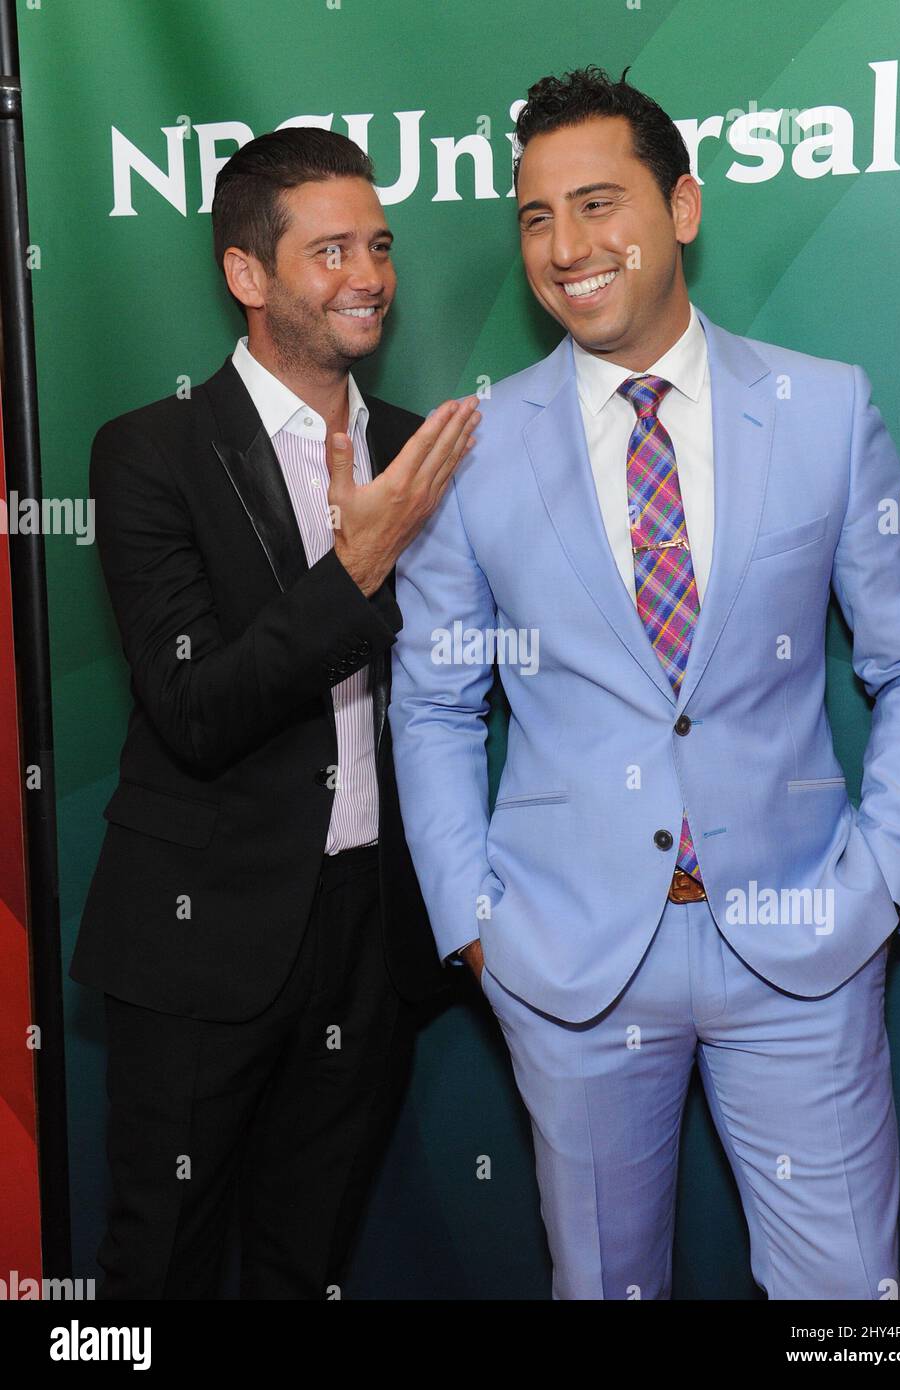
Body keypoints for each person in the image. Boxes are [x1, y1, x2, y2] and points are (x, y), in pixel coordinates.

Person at [388, 68, 900, 1300]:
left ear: (682, 208)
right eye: (535, 217)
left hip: (803, 946)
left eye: (597, 203)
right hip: (568, 962)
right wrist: (474, 924)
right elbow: (434, 699)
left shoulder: (822, 410)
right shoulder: (475, 450)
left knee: (844, 1304)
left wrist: (880, 882)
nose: (565, 247)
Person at [71, 126, 479, 1299]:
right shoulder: (149, 451)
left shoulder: (416, 449)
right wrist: (356, 568)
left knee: (308, 1264)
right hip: (200, 934)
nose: (369, 275)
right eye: (331, 250)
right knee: (158, 1267)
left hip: (371, 934)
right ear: (246, 273)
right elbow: (195, 708)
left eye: (380, 246)